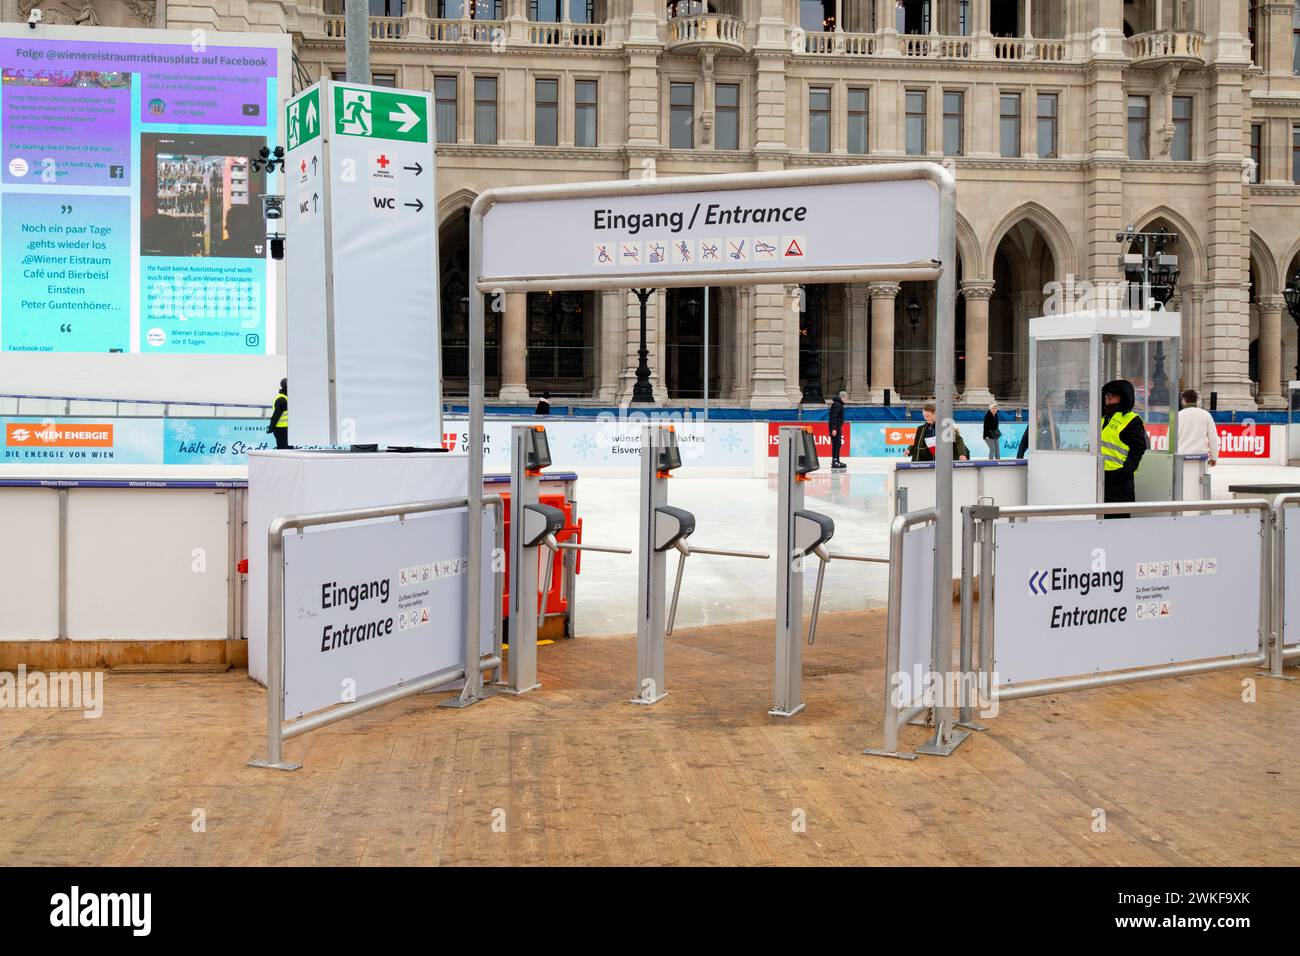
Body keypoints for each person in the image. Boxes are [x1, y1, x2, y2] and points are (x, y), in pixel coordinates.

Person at [1100, 379, 1147, 517]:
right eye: (1107, 395)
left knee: (1118, 523)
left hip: (1119, 482)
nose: (1108, 398)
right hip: (1100, 477)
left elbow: (1138, 448)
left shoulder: (1132, 420)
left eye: (1112, 395)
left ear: (1124, 397)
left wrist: (1125, 471)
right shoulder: (1103, 418)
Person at [1177, 388, 1219, 468]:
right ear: (1196, 400)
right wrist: (1214, 457)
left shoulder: (1178, 415)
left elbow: (1170, 438)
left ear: (1184, 400)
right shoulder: (1206, 415)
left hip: (1181, 456)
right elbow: (1213, 437)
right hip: (1200, 457)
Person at [267, 378, 289, 449]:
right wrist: (271, 427)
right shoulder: (282, 399)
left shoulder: (287, 398)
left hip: (287, 430)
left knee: (288, 451)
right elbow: (276, 415)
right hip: (281, 430)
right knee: (284, 451)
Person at [828, 390, 847, 470]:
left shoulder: (839, 404)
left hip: (837, 427)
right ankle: (834, 461)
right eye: (845, 397)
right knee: (836, 444)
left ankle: (837, 460)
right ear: (842, 397)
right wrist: (834, 429)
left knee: (838, 444)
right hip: (835, 428)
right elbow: (834, 417)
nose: (846, 399)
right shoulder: (837, 405)